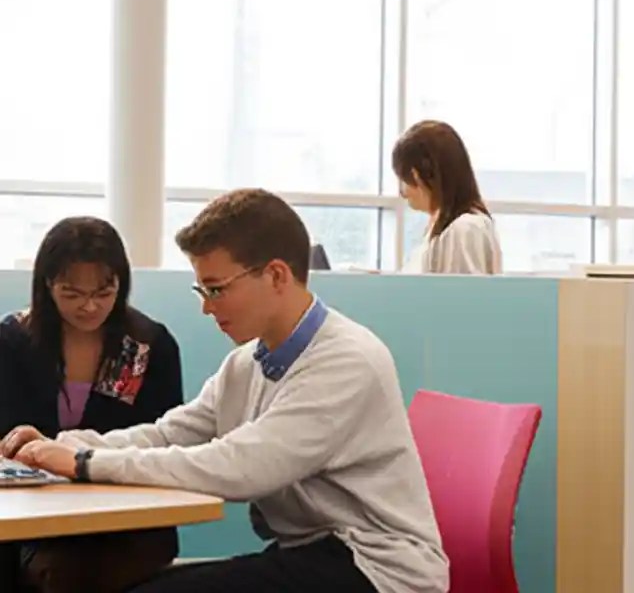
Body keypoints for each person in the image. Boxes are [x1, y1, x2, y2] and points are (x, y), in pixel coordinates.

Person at [4, 189, 448, 593]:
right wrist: (61, 446)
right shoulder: (247, 363)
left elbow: (240, 465)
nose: (205, 306)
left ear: (276, 276)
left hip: (377, 567)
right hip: (314, 552)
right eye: (202, 289)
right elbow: (167, 433)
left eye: (216, 289)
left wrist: (84, 463)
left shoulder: (346, 360)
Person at [0, 217, 184, 593]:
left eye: (104, 292)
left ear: (122, 284)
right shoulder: (13, 342)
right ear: (47, 286)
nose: (89, 306)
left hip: (124, 520)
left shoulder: (146, 346)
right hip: (31, 516)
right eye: (72, 293)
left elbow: (168, 442)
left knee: (69, 574)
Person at [392, 120, 502, 275]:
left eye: (403, 179)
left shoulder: (464, 229)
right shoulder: (447, 229)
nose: (403, 193)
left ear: (416, 175)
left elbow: (461, 295)